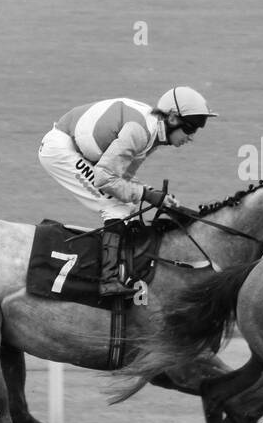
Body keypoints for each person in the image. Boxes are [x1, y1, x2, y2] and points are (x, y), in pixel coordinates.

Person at [38, 86, 216, 297]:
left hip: (76, 148)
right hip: (60, 150)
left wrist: (153, 194)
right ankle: (108, 280)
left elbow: (122, 178)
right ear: (173, 119)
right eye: (191, 129)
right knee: (114, 206)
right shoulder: (140, 132)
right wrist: (148, 195)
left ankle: (124, 266)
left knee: (128, 205)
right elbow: (104, 179)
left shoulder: (152, 135)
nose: (191, 137)